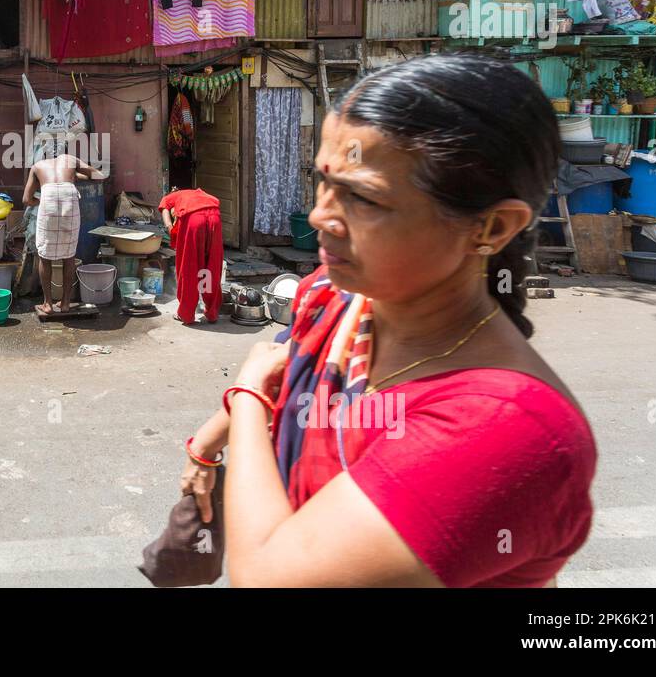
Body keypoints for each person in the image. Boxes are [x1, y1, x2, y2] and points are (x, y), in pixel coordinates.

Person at [179, 54, 596, 586]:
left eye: (363, 198)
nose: (318, 216)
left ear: (491, 227)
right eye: (323, 182)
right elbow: (289, 374)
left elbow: (268, 578)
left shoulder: (506, 428)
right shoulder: (337, 297)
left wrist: (244, 397)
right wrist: (207, 444)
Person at [23, 152, 106, 315]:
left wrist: (41, 202)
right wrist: (77, 175)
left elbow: (26, 200)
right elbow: (100, 176)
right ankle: (66, 303)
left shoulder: (37, 166)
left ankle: (48, 304)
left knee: (45, 257)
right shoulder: (70, 159)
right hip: (69, 198)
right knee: (68, 256)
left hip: (48, 200)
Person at [159, 187, 223, 324]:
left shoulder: (174, 196)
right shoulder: (200, 193)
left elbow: (164, 207)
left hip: (194, 220)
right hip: (215, 218)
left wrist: (170, 227)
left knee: (189, 265)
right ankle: (212, 313)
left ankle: (186, 314)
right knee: (211, 265)